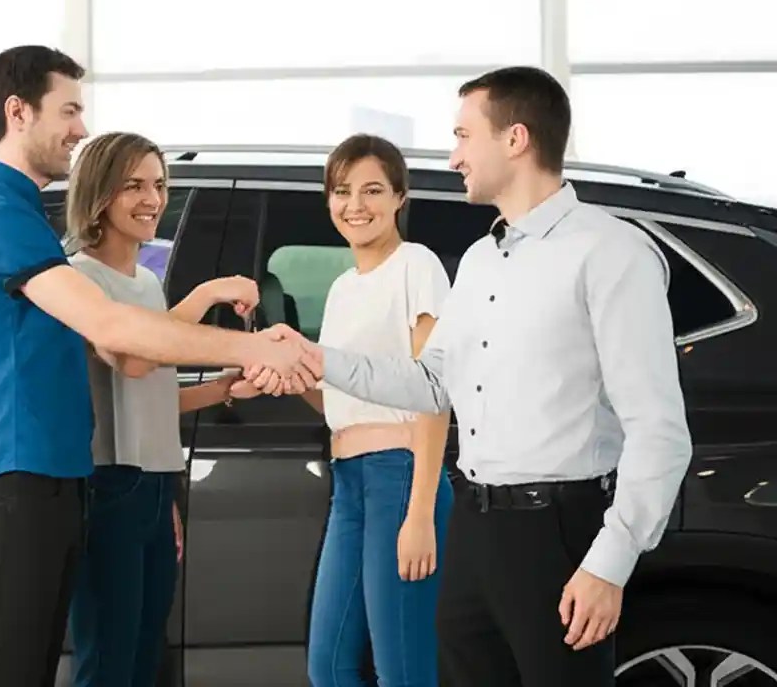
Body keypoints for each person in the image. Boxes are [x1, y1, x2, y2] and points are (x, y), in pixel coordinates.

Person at [249, 66, 692, 686]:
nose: (453, 156)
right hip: (477, 525)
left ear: (515, 139)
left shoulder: (611, 251)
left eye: (462, 136)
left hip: (558, 527)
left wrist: (609, 565)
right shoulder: (483, 258)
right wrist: (317, 359)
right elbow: (433, 383)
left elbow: (660, 431)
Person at [0, 45, 317, 687]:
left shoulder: (23, 214)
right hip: (16, 483)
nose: (80, 130)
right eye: (70, 110)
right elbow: (114, 332)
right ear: (17, 112)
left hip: (57, 479)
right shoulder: (0, 215)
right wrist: (252, 346)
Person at [62, 131, 265, 686]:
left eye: (158, 184)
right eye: (134, 185)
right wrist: (206, 296)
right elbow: (134, 359)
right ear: (99, 194)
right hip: (111, 485)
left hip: (152, 485)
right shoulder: (79, 279)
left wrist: (223, 388)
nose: (153, 198)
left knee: (145, 658)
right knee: (108, 659)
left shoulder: (147, 282)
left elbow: (152, 396)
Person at [260, 134, 454, 686]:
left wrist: (419, 515)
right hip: (348, 483)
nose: (355, 205)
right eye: (342, 191)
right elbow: (342, 403)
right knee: (331, 665)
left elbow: (433, 393)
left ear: (400, 197)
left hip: (401, 477)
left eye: (372, 190)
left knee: (402, 668)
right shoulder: (344, 287)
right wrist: (288, 374)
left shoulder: (417, 265)